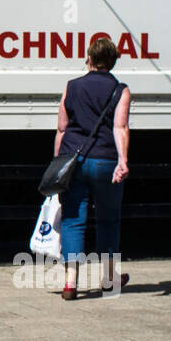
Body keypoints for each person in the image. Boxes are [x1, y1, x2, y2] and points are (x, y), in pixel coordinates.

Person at [53, 35, 131, 300]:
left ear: (89, 58)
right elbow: (119, 128)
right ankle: (109, 279)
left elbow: (62, 129)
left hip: (74, 160)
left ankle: (70, 282)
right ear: (112, 61)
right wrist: (123, 160)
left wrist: (57, 165)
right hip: (105, 162)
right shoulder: (120, 90)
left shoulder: (71, 86)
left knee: (73, 220)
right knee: (109, 220)